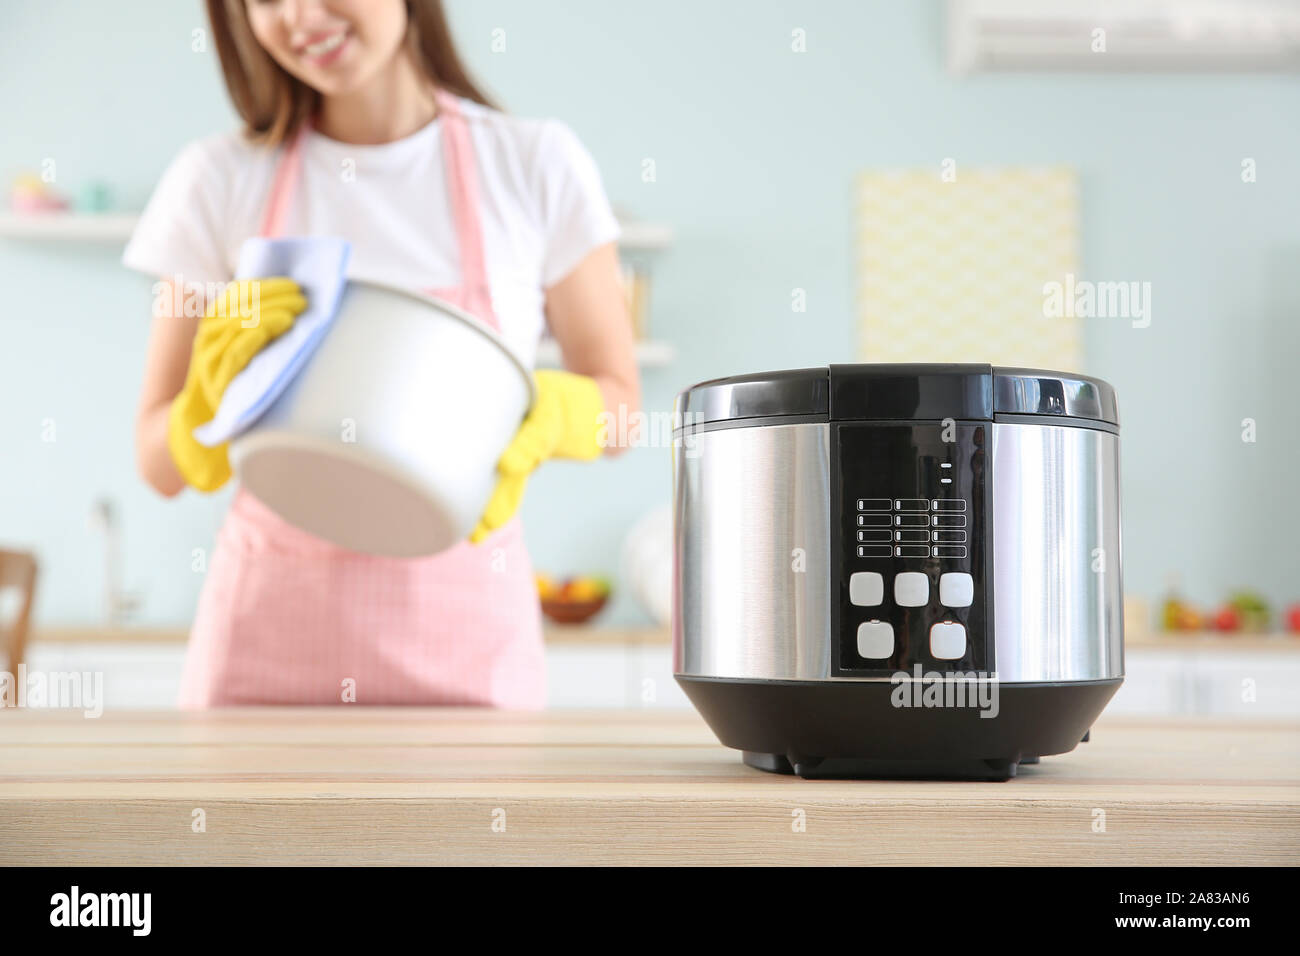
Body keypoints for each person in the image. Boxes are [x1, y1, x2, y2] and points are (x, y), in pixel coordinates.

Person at [127, 0, 640, 708]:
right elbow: (157, 463)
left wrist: (552, 412)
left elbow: (623, 413)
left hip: (470, 649)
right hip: (263, 648)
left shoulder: (533, 164)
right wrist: (205, 408)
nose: (301, 16)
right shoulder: (216, 179)